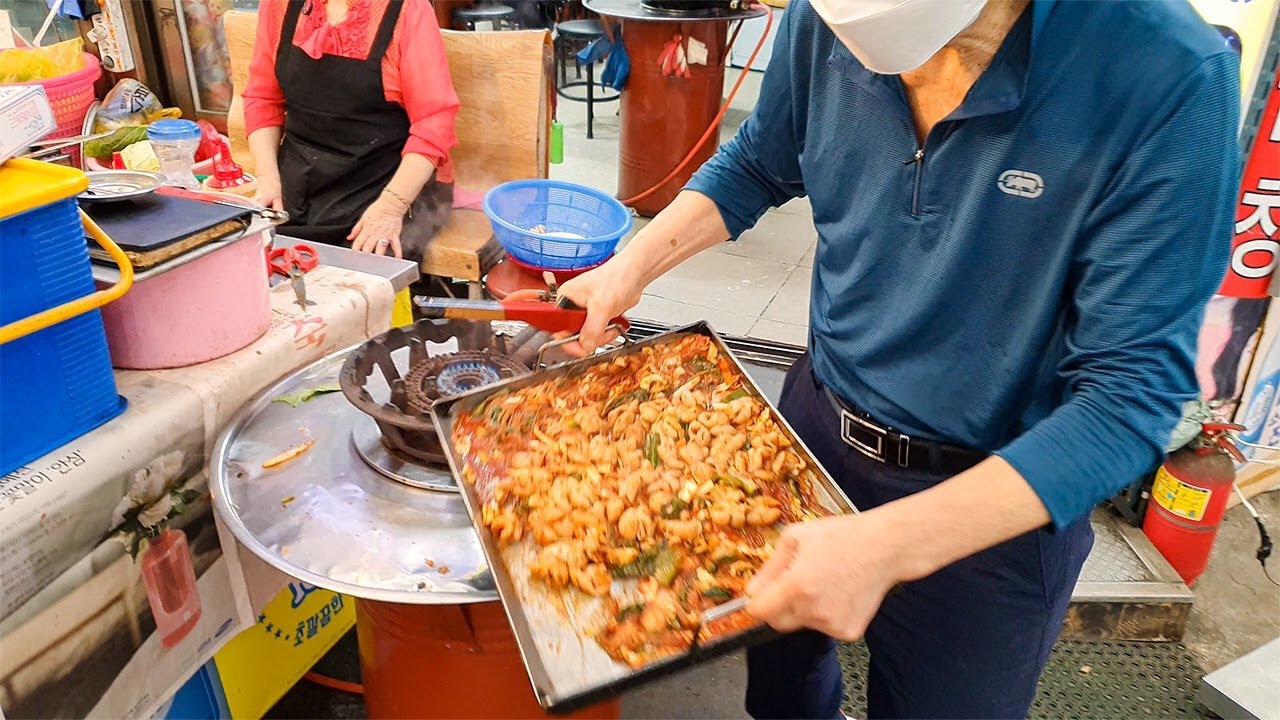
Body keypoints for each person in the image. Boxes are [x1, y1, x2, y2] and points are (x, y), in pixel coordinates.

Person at [559, 0, 1239, 716]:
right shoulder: (826, 18)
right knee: (782, 685)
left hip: (990, 508)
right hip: (809, 436)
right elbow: (762, 159)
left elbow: (1129, 398)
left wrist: (886, 546)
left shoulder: (1168, 74)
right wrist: (629, 268)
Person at [243, 0, 459, 261]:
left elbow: (434, 124)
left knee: (366, 272)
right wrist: (267, 176)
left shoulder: (407, 8)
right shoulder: (280, 4)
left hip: (392, 183)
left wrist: (390, 208)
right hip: (301, 179)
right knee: (256, 257)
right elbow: (263, 98)